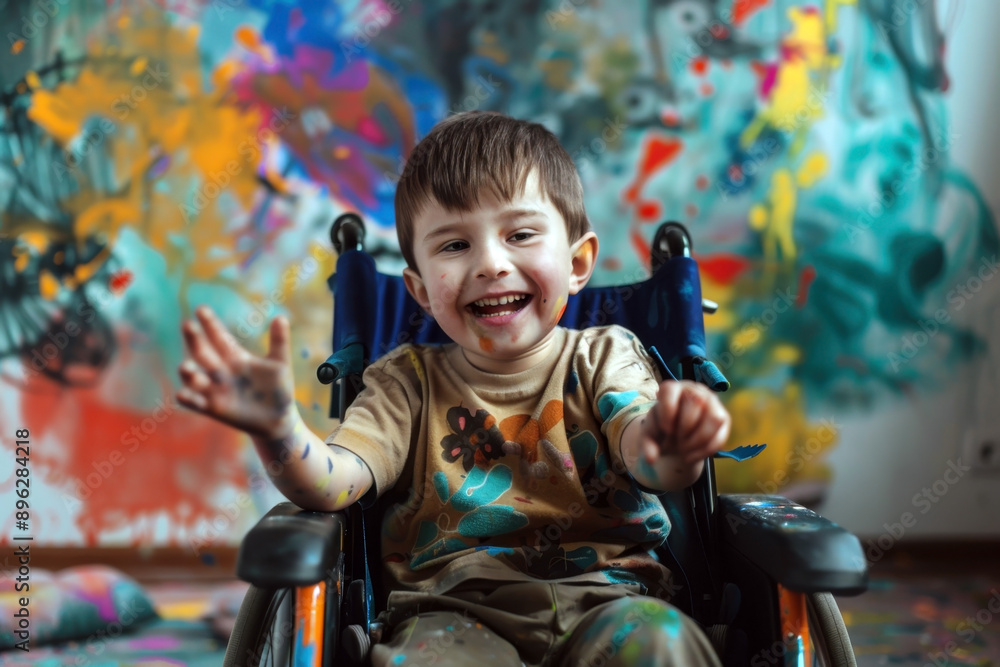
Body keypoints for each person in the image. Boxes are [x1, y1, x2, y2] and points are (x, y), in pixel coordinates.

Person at [177, 111, 730, 666]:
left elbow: (648, 456)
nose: (491, 264)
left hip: (611, 600)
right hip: (448, 612)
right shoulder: (405, 383)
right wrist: (278, 431)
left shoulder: (606, 356)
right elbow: (333, 485)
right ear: (420, 291)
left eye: (520, 235)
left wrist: (672, 444)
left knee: (662, 642)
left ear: (577, 262)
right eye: (454, 245)